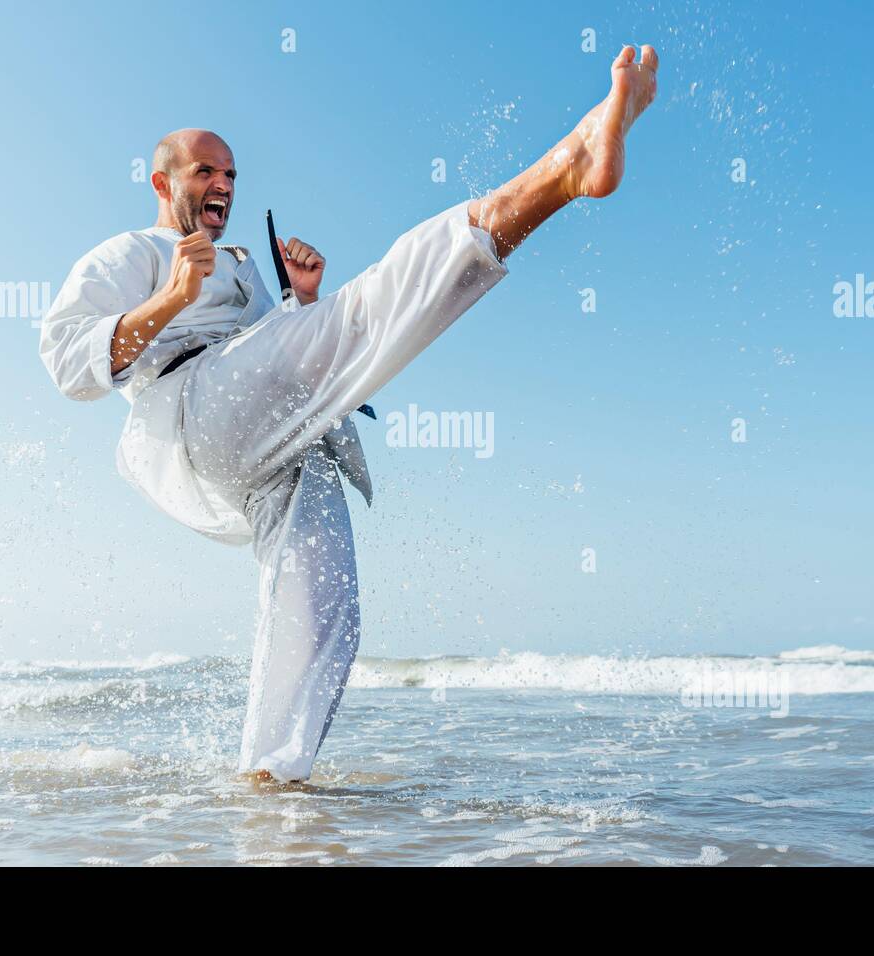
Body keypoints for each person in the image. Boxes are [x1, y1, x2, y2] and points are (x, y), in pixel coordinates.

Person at [39, 44, 659, 783]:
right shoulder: (133, 251)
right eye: (205, 170)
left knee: (327, 601)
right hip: (181, 415)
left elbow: (288, 363)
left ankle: (272, 777)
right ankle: (560, 174)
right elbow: (67, 363)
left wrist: (301, 301)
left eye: (231, 173)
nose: (223, 184)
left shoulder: (235, 265)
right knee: (361, 312)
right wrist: (170, 299)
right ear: (160, 180)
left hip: (263, 447)